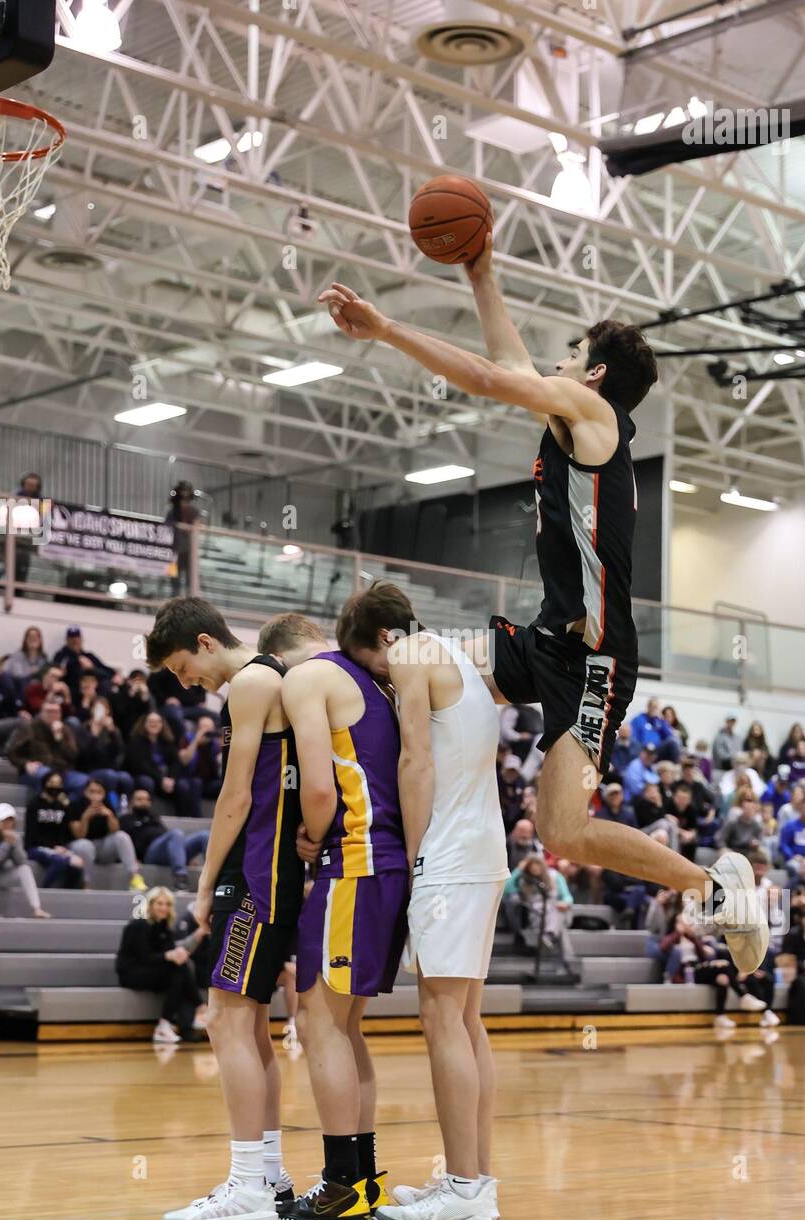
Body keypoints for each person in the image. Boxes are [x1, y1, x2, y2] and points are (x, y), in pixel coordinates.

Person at [318, 253, 767, 974]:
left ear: (592, 376)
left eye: (571, 353)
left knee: (564, 830)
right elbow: (509, 361)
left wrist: (386, 328)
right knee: (411, 661)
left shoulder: (596, 415)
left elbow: (497, 377)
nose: (555, 362)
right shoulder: (571, 412)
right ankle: (425, 836)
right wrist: (479, 271)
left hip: (594, 660)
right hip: (544, 640)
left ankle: (714, 883)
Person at [338, 583, 505, 1220]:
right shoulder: (463, 656)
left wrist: (409, 862)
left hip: (450, 853)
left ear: (385, 639)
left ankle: (465, 1188)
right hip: (481, 848)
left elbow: (415, 761)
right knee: (464, 1016)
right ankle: (474, 1179)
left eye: (372, 665)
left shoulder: (410, 656)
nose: (380, 679)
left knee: (441, 1016)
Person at [146, 598, 310, 1220]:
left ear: (208, 642)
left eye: (185, 668)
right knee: (248, 1024)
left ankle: (247, 1185)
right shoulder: (276, 677)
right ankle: (266, 1173)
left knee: (224, 1020)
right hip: (274, 873)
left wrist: (205, 881)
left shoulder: (250, 683)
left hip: (257, 877)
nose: (187, 683)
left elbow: (235, 796)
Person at [260, 608, 409, 1220]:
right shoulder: (378, 684)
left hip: (354, 863)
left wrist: (308, 837)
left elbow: (320, 792)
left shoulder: (309, 678)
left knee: (316, 1021)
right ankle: (363, 1179)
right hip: (390, 865)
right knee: (344, 1029)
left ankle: (343, 1186)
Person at [115, 887, 208, 1042]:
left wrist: (178, 954)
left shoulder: (164, 926)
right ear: (151, 904)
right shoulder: (139, 924)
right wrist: (169, 955)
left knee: (180, 969)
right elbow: (144, 957)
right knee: (178, 970)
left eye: (167, 904)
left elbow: (169, 951)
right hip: (131, 973)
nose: (164, 908)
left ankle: (166, 1025)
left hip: (151, 970)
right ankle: (200, 1008)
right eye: (159, 903)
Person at [0, 803, 50, 919]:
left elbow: (21, 861)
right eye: (3, 820)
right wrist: (6, 844)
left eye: (10, 820)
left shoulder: (13, 836)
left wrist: (15, 844)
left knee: (25, 869)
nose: (7, 824)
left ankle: (36, 908)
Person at [120, 788, 208, 890]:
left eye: (146, 799)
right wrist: (133, 857)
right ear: (131, 802)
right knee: (176, 833)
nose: (144, 802)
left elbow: (168, 836)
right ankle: (180, 877)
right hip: (150, 854)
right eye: (139, 799)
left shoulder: (154, 817)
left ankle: (213, 877)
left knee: (204, 835)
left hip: (169, 850)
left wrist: (186, 856)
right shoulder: (126, 819)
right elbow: (124, 841)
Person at [67, 779, 146, 892]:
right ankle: (85, 884)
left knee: (121, 836)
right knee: (85, 845)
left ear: (104, 794)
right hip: (79, 848)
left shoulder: (107, 805)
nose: (95, 795)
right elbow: (79, 835)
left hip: (102, 847)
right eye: (92, 791)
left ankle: (135, 877)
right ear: (85, 792)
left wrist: (109, 815)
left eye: (99, 792)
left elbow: (115, 830)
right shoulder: (75, 805)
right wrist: (85, 817)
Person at [125, 711, 202, 817]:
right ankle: (146, 816)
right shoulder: (136, 742)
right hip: (148, 777)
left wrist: (171, 778)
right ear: (144, 724)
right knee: (146, 782)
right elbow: (140, 766)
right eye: (151, 721)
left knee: (184, 785)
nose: (154, 724)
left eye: (158, 722)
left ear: (162, 724)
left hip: (166, 780)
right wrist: (161, 779)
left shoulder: (167, 741)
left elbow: (176, 762)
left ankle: (184, 817)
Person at [6, 698, 88, 795]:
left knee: (85, 782)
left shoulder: (65, 730)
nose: (53, 715)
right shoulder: (29, 727)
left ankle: (66, 807)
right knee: (48, 777)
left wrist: (60, 739)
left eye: (56, 712)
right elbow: (11, 752)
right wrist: (25, 764)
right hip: (38, 770)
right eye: (49, 712)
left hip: (62, 772)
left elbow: (73, 755)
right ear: (41, 713)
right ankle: (43, 806)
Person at [24, 772, 87, 889]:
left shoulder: (62, 806)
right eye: (51, 783)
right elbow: (32, 834)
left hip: (57, 848)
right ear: (44, 784)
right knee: (60, 861)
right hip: (35, 847)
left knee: (78, 864)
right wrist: (53, 848)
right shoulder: (34, 804)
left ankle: (67, 894)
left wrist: (68, 806)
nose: (55, 787)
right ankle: (44, 891)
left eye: (58, 784)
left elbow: (69, 832)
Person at [52, 626, 113, 701]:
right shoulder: (61, 656)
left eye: (77, 638)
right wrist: (75, 661)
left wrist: (92, 668)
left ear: (81, 639)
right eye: (72, 639)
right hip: (71, 691)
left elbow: (106, 671)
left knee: (106, 684)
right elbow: (57, 671)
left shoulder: (89, 656)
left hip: (91, 690)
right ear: (67, 640)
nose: (75, 641)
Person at [165, 480, 200, 597]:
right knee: (175, 577)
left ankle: (191, 599)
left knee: (190, 577)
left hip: (189, 548)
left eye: (187, 491)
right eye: (183, 490)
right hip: (175, 547)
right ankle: (174, 598)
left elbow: (196, 527)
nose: (185, 493)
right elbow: (167, 528)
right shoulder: (172, 512)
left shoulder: (194, 512)